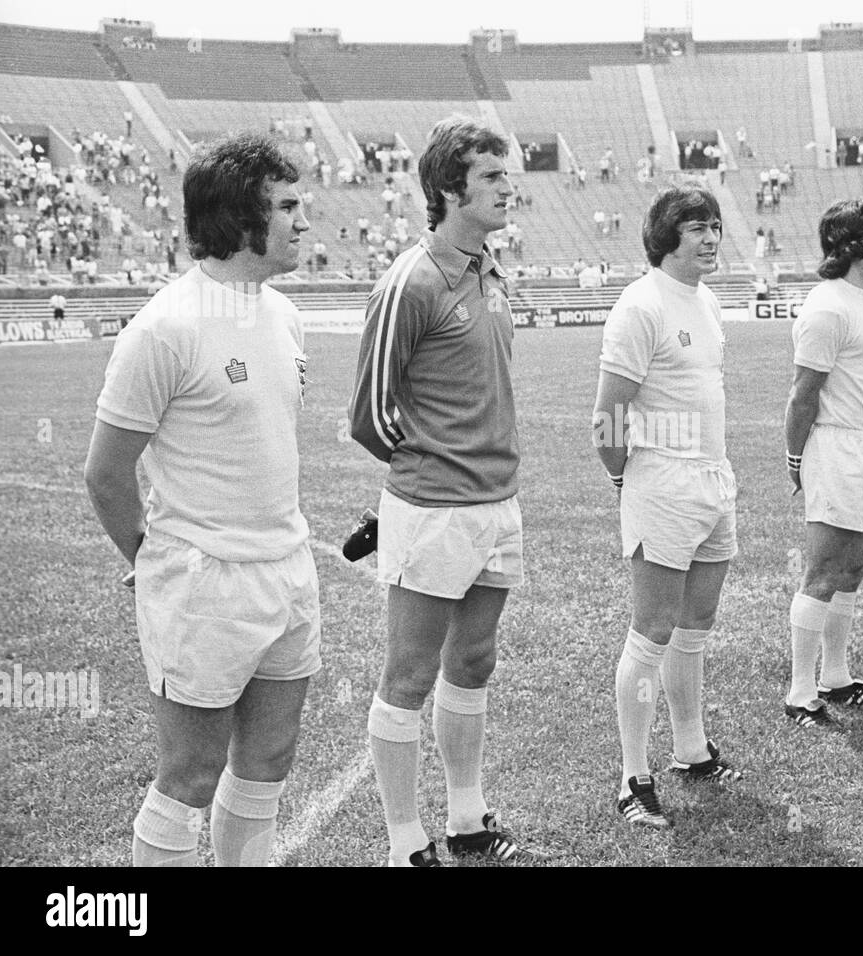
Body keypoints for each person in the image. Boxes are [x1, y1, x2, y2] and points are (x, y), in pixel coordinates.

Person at [84, 132, 317, 867]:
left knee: (268, 764)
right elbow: (106, 472)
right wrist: (150, 559)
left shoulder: (281, 313)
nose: (302, 222)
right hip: (204, 581)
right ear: (240, 218)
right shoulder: (165, 327)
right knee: (188, 777)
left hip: (287, 567)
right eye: (286, 207)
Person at [348, 115, 535, 866]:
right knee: (410, 672)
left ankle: (465, 819)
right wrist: (430, 472)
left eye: (506, 173)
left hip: (498, 504)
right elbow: (369, 413)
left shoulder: (490, 269)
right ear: (448, 187)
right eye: (491, 176)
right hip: (431, 511)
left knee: (475, 661)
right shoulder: (411, 279)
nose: (506, 187)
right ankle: (404, 843)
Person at [593, 183, 741, 829]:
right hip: (662, 480)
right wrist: (632, 482)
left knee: (695, 626)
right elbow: (608, 418)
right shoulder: (640, 304)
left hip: (714, 479)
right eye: (696, 227)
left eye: (714, 225)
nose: (710, 237)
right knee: (651, 630)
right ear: (665, 236)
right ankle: (633, 775)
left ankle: (690, 748)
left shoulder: (705, 300)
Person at [783, 199, 863, 727]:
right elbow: (804, 393)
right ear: (851, 245)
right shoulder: (827, 306)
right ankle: (800, 690)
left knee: (853, 568)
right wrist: (795, 456)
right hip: (837, 448)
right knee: (823, 571)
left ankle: (836, 675)